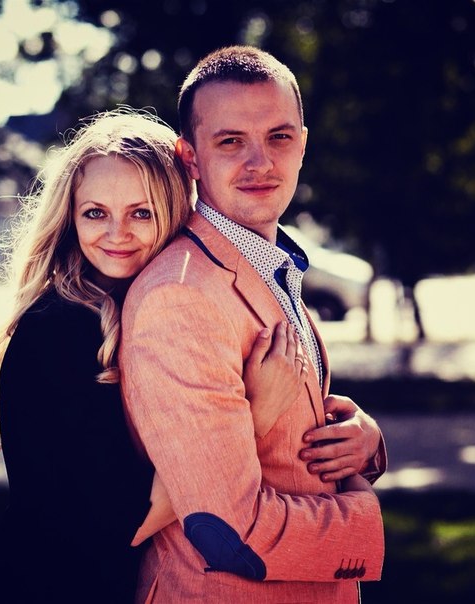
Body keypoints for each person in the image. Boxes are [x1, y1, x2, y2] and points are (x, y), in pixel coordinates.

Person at [0, 108, 311, 603]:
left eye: (141, 213)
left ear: (173, 210)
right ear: (70, 217)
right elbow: (126, 519)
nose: (117, 233)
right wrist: (255, 413)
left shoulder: (149, 306)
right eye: (95, 213)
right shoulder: (61, 329)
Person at [119, 46, 387, 602]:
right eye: (231, 141)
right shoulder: (180, 295)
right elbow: (227, 531)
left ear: (303, 145)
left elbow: (289, 440)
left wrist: (361, 446)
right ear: (190, 158)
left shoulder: (265, 263)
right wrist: (364, 514)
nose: (260, 162)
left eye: (279, 137)